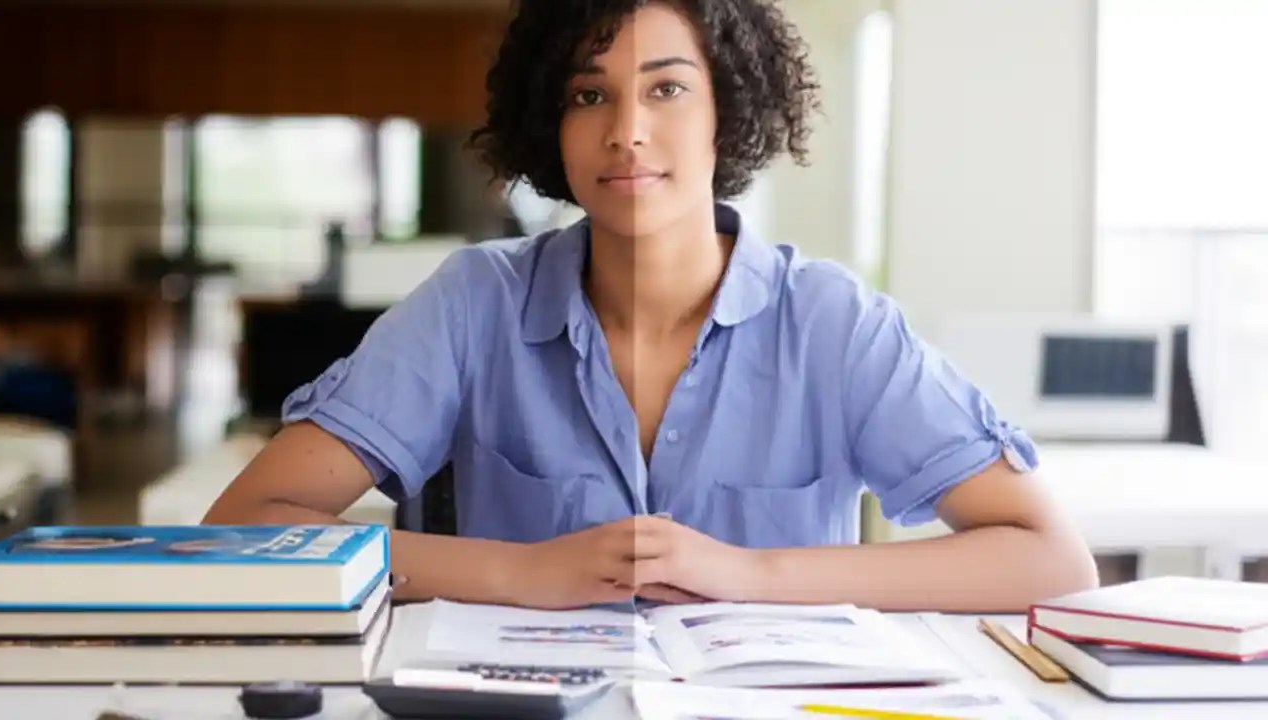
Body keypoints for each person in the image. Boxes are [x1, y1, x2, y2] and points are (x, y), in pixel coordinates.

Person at [204, 0, 1098, 611]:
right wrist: (523, 572)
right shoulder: (472, 305)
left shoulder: (834, 324)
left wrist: (748, 573)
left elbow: (1050, 559)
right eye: (589, 95)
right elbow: (244, 531)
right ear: (551, 126)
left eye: (666, 89)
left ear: (727, 113)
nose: (626, 129)